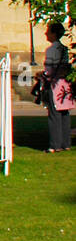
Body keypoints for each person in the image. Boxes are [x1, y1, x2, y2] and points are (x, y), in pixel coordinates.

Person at [42, 21, 73, 152]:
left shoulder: (51, 50)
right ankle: (66, 143)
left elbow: (50, 70)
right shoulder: (64, 49)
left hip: (54, 84)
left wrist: (43, 75)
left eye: (48, 31)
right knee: (65, 114)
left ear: (53, 34)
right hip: (65, 84)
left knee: (54, 115)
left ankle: (55, 145)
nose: (46, 33)